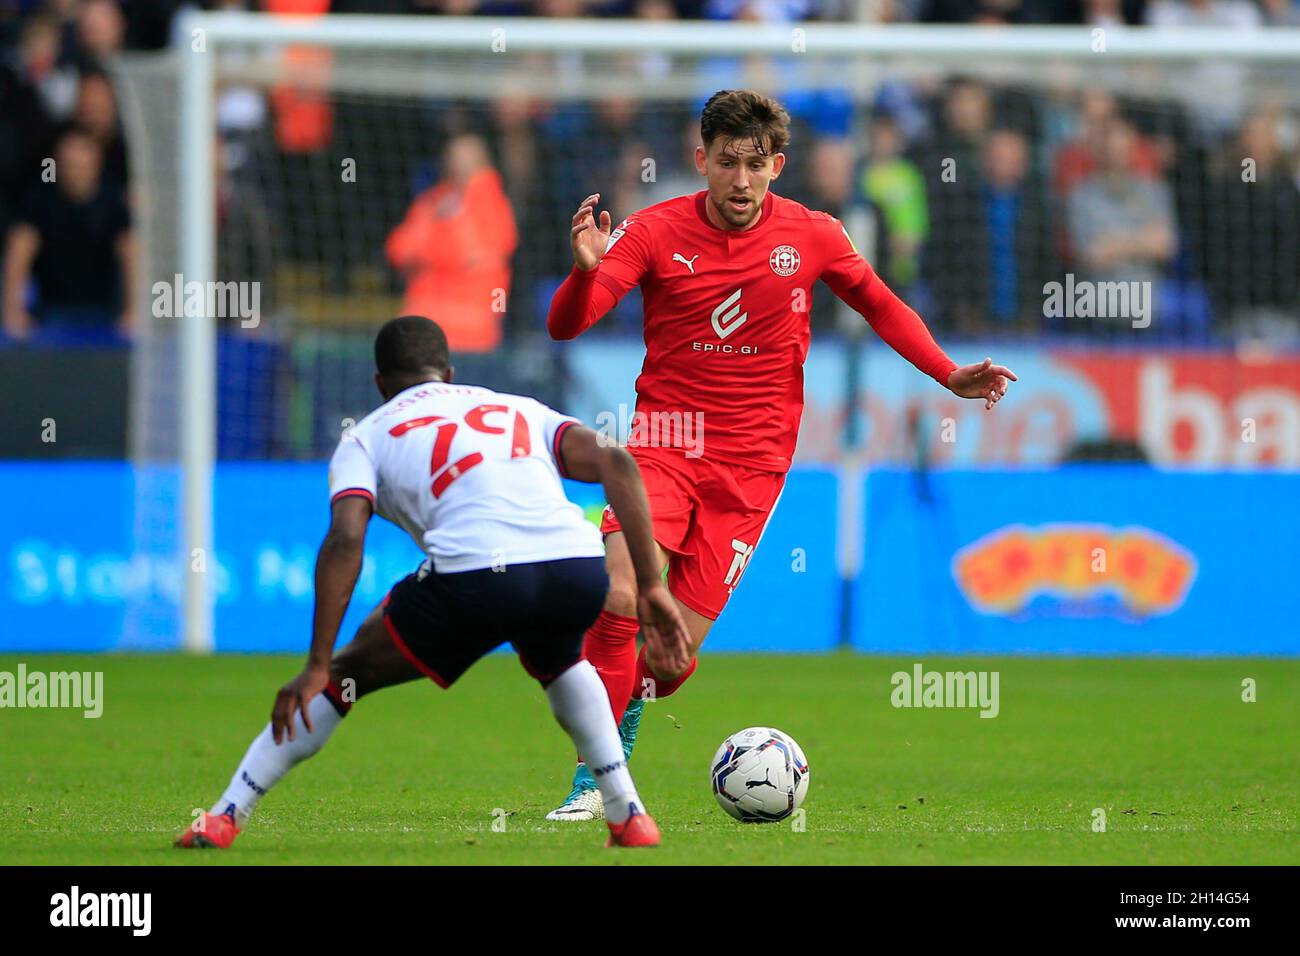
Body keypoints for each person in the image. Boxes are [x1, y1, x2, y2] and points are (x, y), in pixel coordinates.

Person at [543, 89, 1017, 820]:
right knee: (621, 594)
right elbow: (569, 325)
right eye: (726, 162)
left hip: (754, 468)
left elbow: (881, 303)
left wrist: (947, 372)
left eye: (754, 164)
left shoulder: (815, 234)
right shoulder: (651, 230)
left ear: (777, 166)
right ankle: (596, 783)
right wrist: (581, 271)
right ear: (700, 160)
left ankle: (623, 711)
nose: (739, 179)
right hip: (662, 446)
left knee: (669, 662)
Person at [175, 316, 691, 851]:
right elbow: (617, 460)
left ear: (380, 383)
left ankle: (225, 815)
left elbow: (346, 540)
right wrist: (651, 586)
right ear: (447, 372)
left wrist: (318, 662)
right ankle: (628, 813)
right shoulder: (516, 407)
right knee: (561, 662)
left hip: (479, 577)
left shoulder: (365, 437)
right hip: (575, 567)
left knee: (344, 678)